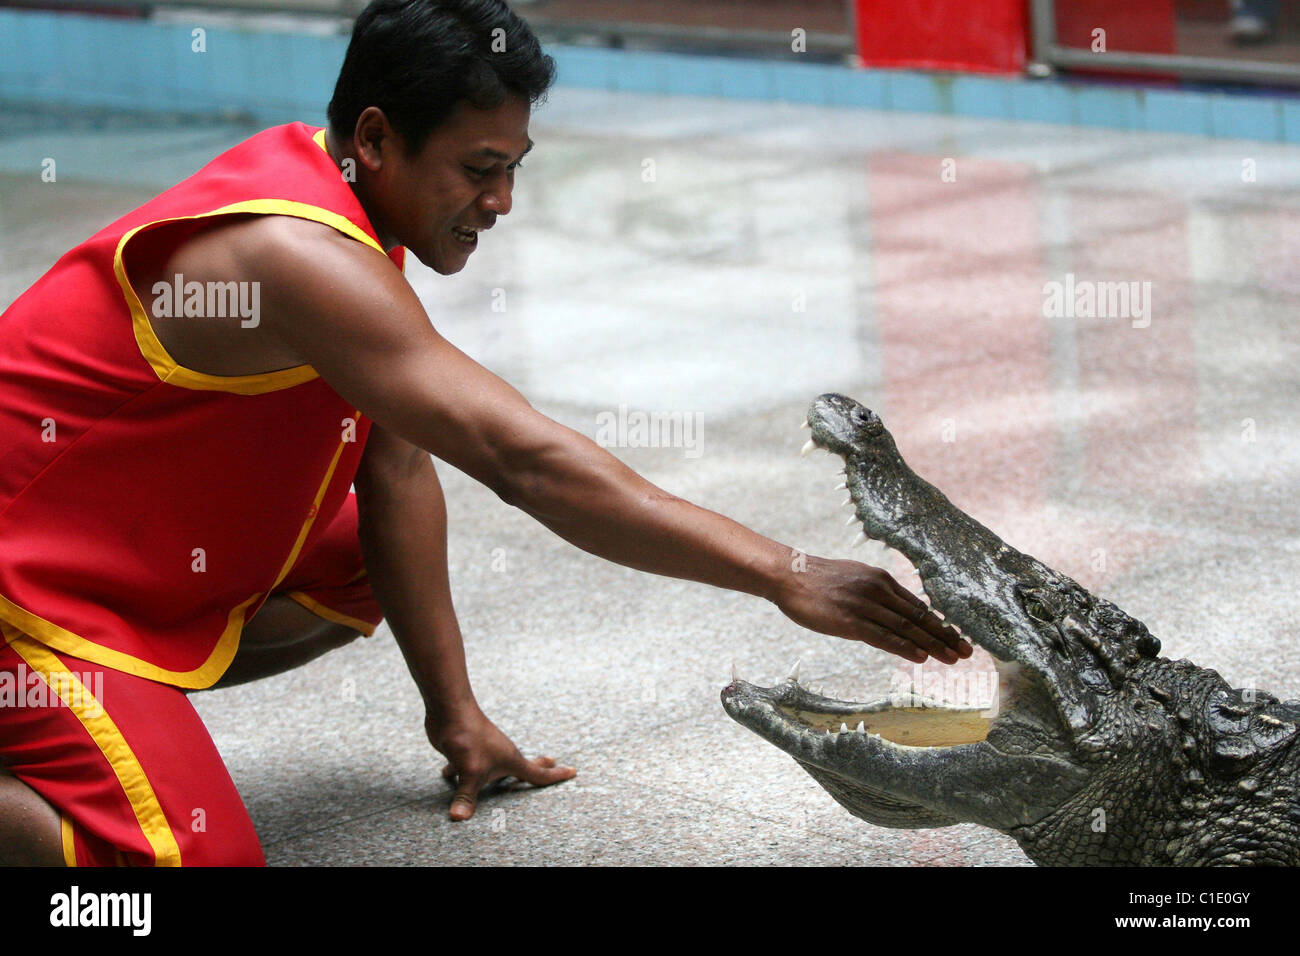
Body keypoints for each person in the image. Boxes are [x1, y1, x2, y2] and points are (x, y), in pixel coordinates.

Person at [0, 0, 968, 867]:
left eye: (513, 169)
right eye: (479, 169)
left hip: (93, 553)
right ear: (376, 138)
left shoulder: (339, 198)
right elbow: (521, 459)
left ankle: (114, 704)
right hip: (28, 586)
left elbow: (399, 466)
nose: (501, 203)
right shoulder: (293, 256)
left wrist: (454, 714)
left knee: (360, 559)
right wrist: (781, 569)